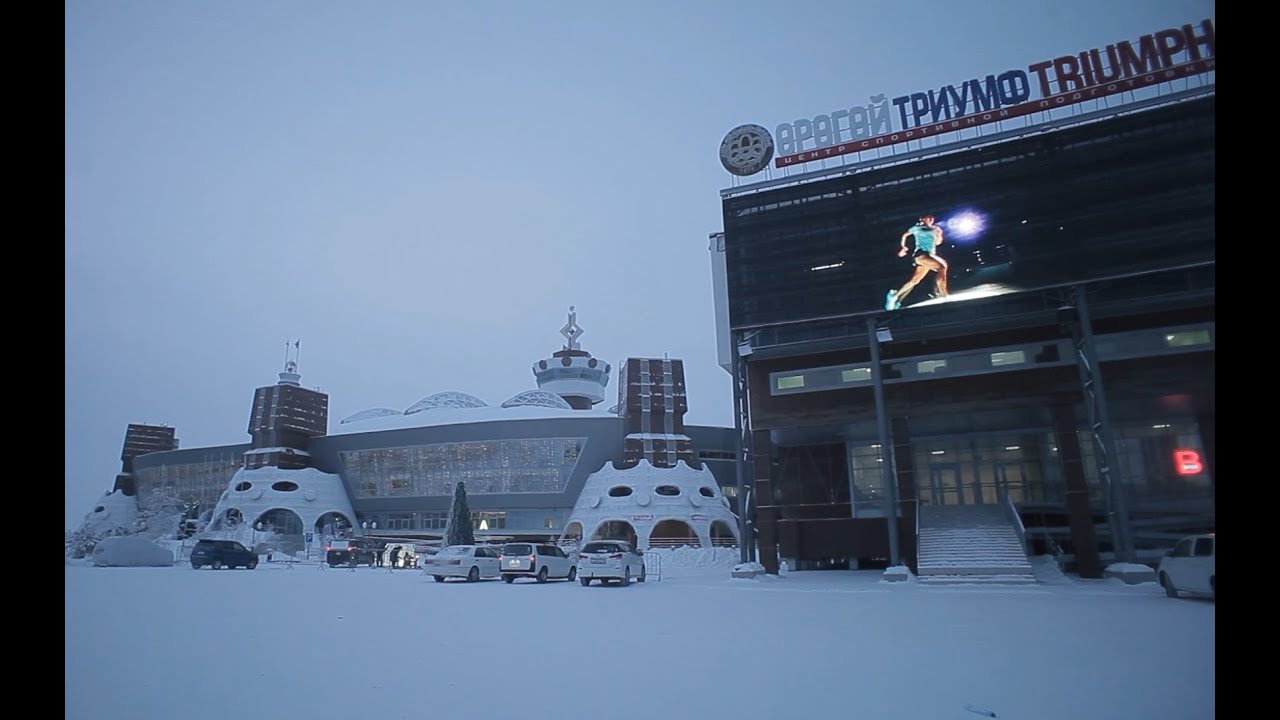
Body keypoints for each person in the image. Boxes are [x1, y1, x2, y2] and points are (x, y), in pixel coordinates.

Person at [885, 214, 948, 311]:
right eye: (928, 217)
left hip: (930, 254)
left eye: (932, 218)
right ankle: (944, 295)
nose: (931, 219)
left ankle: (895, 296)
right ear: (923, 219)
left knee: (915, 280)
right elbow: (905, 235)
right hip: (921, 254)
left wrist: (939, 235)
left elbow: (937, 242)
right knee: (942, 267)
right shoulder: (917, 228)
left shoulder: (934, 229)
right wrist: (903, 248)